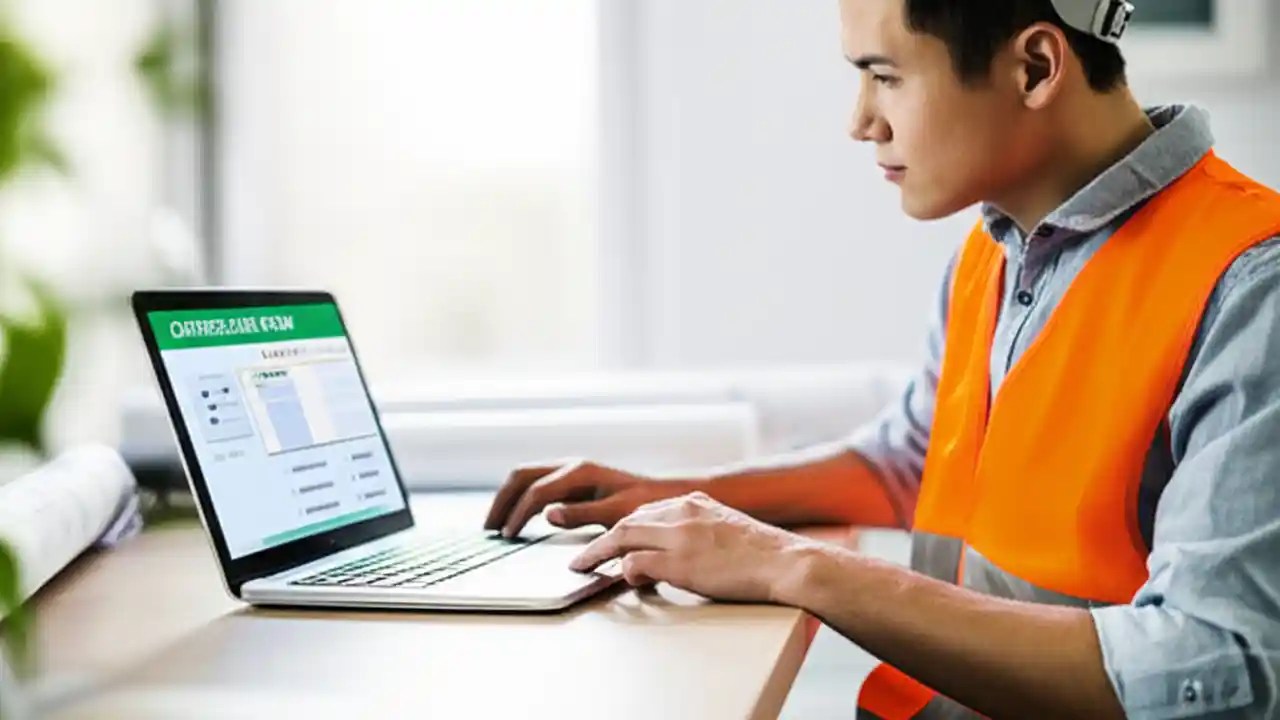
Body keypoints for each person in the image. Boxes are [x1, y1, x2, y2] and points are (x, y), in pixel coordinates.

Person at [485, 0, 1280, 717]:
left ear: (1034, 67)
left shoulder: (1250, 288)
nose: (861, 120)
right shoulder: (995, 250)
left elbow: (1212, 661)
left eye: (884, 76)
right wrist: (670, 502)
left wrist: (795, 568)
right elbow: (913, 459)